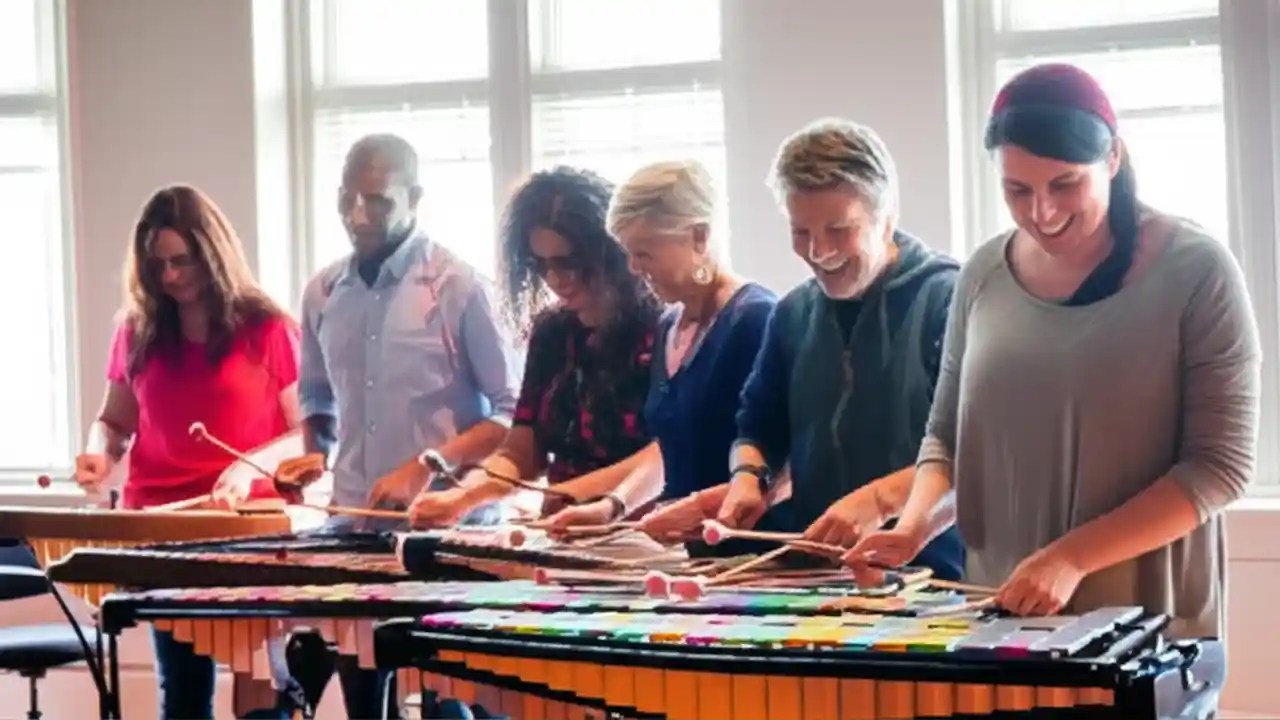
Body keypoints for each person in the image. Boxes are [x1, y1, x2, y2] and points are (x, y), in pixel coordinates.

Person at [850, 64, 1259, 639]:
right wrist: (914, 527)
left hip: (1147, 627)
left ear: (1112, 159)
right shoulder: (983, 274)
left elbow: (1220, 469)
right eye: (1017, 190)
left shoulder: (1198, 270)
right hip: (1002, 617)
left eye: (1065, 184)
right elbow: (948, 439)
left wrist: (1071, 557)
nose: (1041, 212)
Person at [281, 134, 521, 719]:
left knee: (453, 706)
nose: (357, 215)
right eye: (347, 199)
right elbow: (318, 398)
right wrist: (314, 451)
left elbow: (512, 413)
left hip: (448, 536)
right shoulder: (321, 292)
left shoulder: (459, 287)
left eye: (378, 201)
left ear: (413, 197)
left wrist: (428, 466)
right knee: (363, 704)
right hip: (355, 530)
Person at [74, 185, 300, 719]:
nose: (171, 276)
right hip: (162, 530)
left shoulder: (268, 328)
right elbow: (114, 423)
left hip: (246, 528)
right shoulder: (136, 331)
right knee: (182, 693)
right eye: (158, 265)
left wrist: (249, 469)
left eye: (182, 261)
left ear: (212, 253)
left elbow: (308, 434)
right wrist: (97, 453)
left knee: (259, 683)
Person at [712, 118, 966, 580]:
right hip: (819, 578)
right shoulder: (792, 312)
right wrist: (750, 479)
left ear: (887, 215)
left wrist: (879, 501)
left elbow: (975, 453)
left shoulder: (951, 299)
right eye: (800, 232)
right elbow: (757, 427)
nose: (819, 251)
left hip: (936, 579)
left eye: (838, 229)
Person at [408, 166, 662, 527]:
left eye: (568, 263)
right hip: (564, 532)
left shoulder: (662, 327)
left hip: (647, 532)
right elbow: (523, 450)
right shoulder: (553, 331)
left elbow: (666, 455)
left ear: (609, 251)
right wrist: (462, 497)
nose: (555, 279)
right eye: (540, 265)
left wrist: (578, 494)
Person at [538, 160, 777, 536]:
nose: (633, 267)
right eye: (629, 253)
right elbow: (669, 451)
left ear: (699, 237)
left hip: (739, 550)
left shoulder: (756, 319)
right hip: (685, 553)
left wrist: (701, 511)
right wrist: (612, 506)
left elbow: (778, 460)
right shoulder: (668, 325)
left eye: (645, 253)